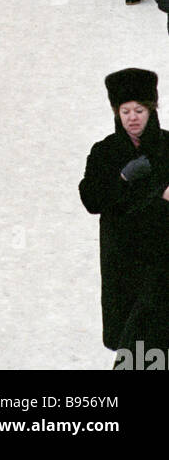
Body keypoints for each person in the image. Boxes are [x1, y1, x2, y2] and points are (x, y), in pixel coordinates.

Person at [79, 69, 169, 356]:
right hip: (124, 264)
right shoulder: (105, 152)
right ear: (116, 112)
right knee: (136, 350)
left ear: (151, 110)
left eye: (139, 110)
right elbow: (91, 199)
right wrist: (121, 179)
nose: (132, 117)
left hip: (163, 261)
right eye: (125, 110)